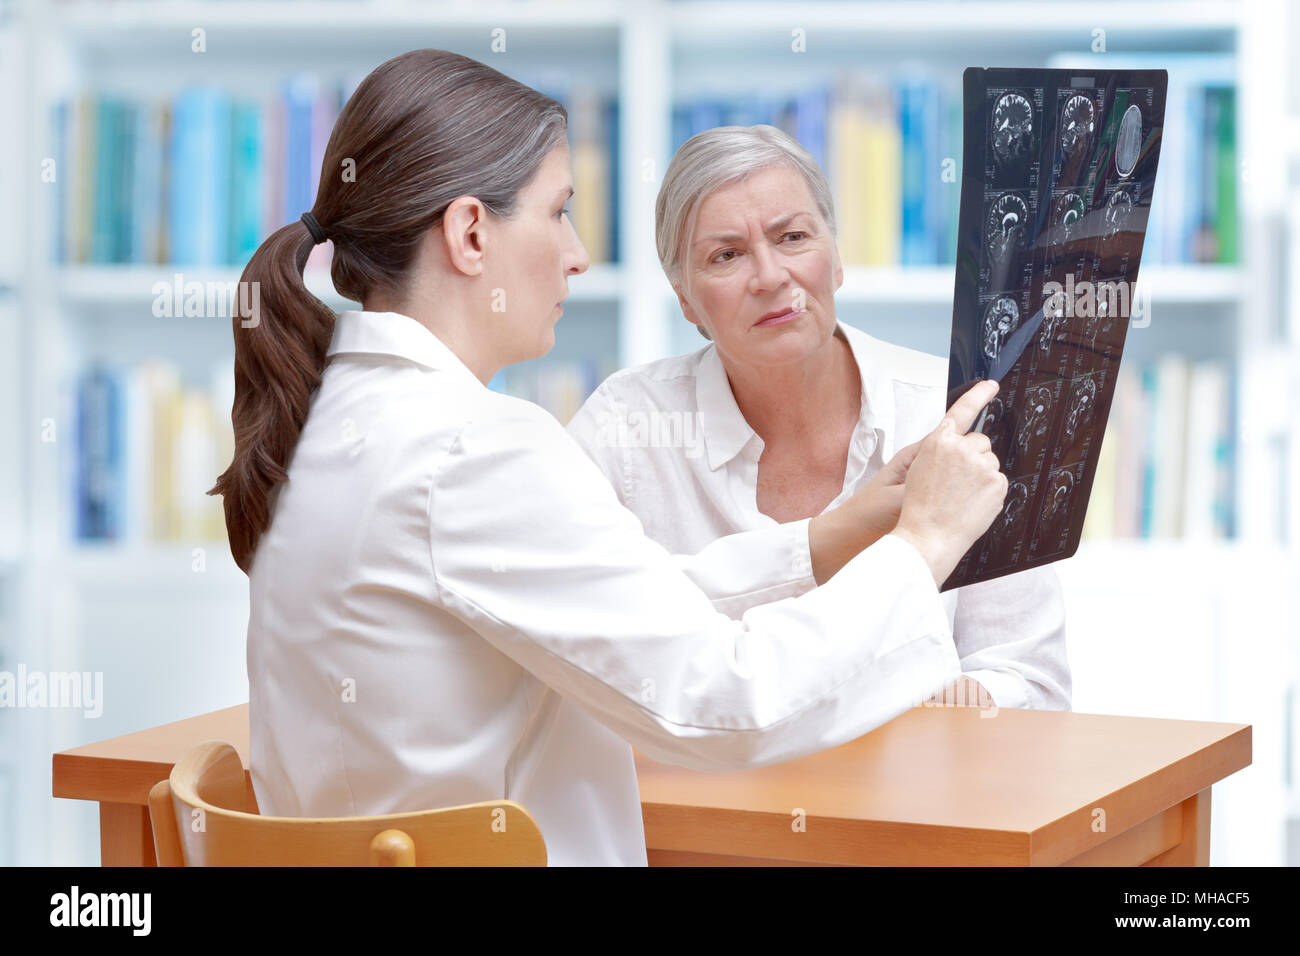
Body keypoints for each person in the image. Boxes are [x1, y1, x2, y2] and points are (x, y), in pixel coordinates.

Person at [212, 50, 1007, 867]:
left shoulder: (332, 423)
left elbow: (609, 607)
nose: (578, 253)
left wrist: (823, 542)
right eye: (558, 212)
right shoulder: (475, 449)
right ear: (470, 233)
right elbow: (729, 700)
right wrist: (925, 545)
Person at [567, 125, 1071, 712]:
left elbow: (1032, 680)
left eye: (793, 237)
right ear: (685, 300)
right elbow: (591, 639)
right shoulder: (624, 430)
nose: (771, 276)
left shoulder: (959, 414)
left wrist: (944, 704)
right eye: (725, 255)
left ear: (835, 259)